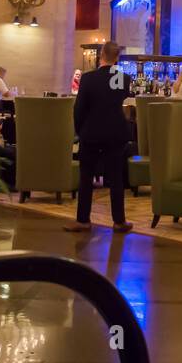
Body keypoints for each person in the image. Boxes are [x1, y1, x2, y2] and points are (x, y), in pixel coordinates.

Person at [67, 41, 133, 234]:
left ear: (100, 55)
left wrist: (80, 131)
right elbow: (118, 100)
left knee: (86, 177)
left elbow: (79, 109)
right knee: (115, 178)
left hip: (91, 133)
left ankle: (83, 220)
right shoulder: (122, 78)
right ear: (117, 58)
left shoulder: (88, 79)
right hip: (115, 133)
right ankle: (119, 221)